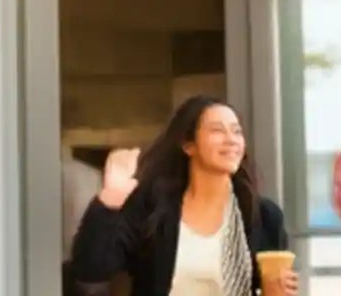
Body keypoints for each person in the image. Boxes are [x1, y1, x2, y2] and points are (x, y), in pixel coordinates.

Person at [70, 96, 300, 296]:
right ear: (188, 145)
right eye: (218, 130)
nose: (231, 139)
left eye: (237, 131)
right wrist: (110, 200)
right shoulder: (153, 209)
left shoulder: (264, 217)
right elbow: (91, 270)